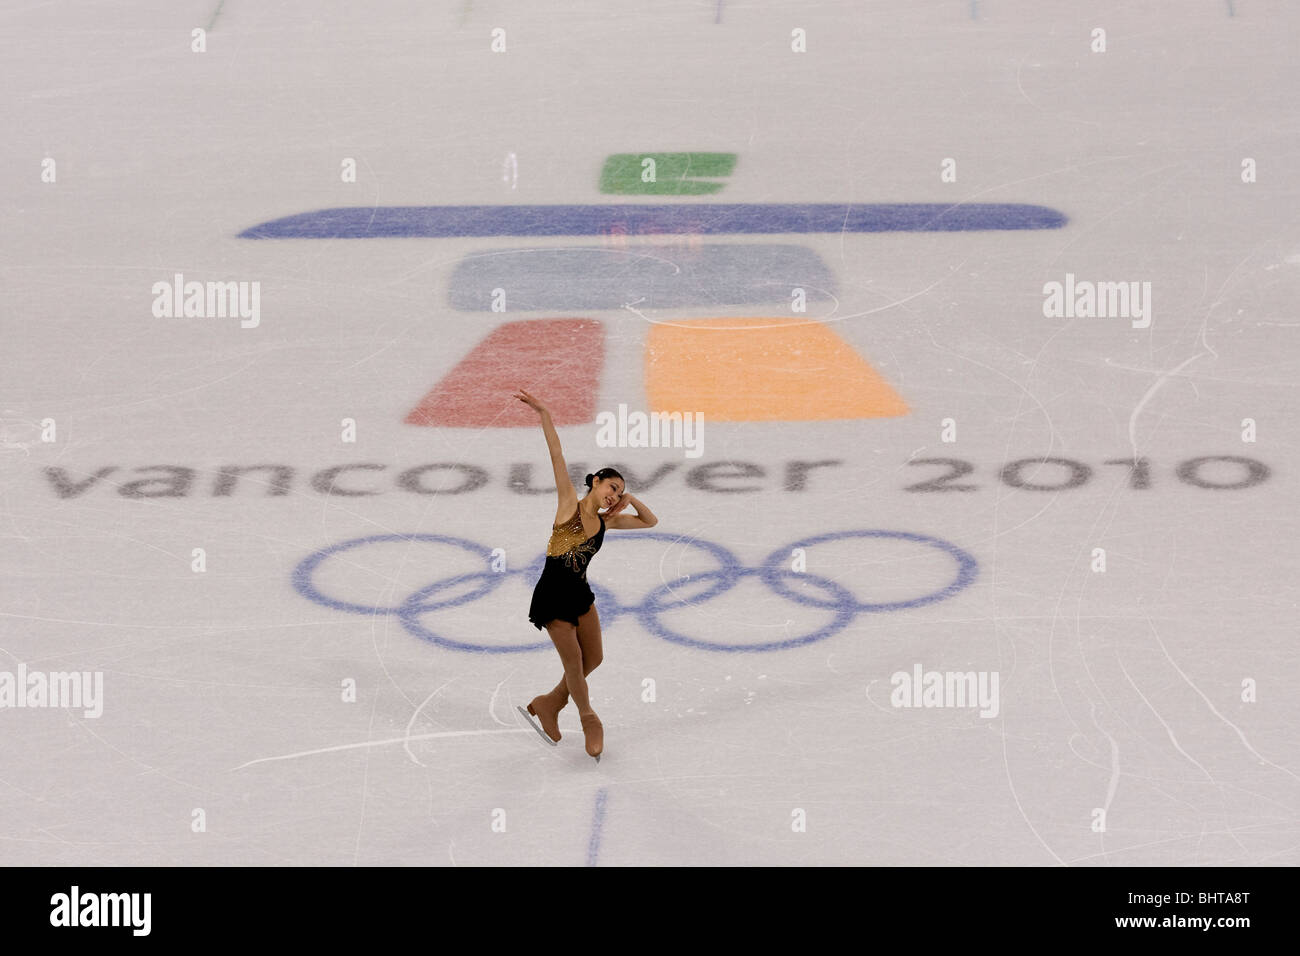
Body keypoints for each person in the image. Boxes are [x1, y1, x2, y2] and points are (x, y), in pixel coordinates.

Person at [513, 388, 658, 762]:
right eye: (612, 487)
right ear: (596, 482)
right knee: (574, 664)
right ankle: (588, 717)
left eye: (619, 492)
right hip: (552, 597)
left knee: (594, 659)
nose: (614, 495)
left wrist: (631, 499)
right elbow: (556, 454)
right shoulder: (568, 505)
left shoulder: (608, 522)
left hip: (581, 595)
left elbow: (650, 521)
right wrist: (544, 410)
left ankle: (548, 703)